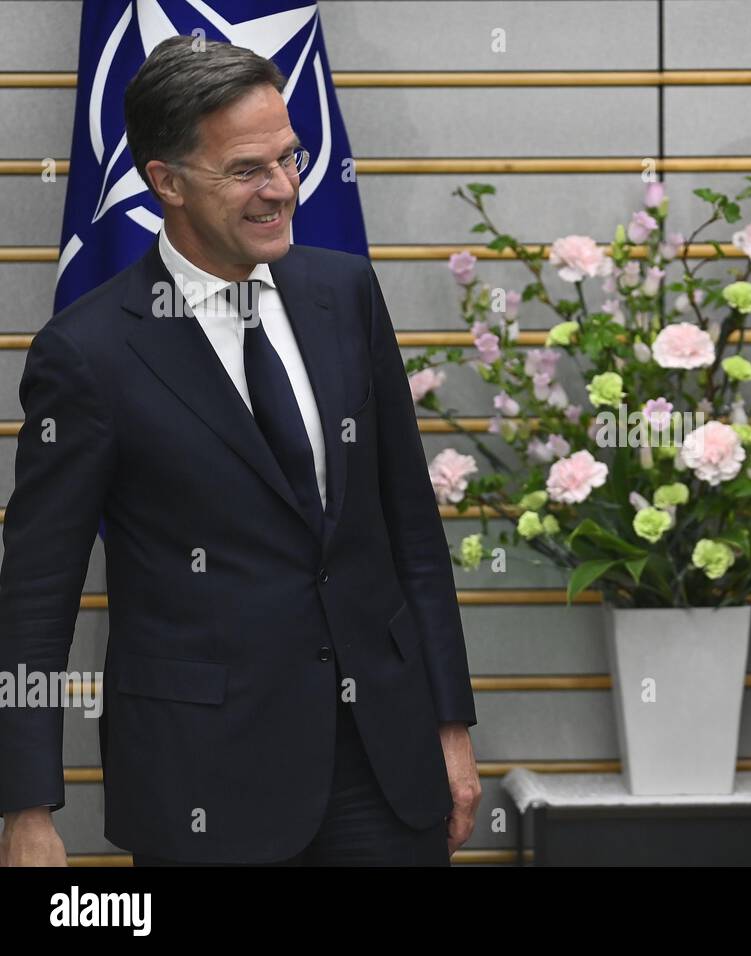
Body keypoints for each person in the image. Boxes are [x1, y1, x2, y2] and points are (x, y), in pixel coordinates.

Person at [0, 37, 479, 866]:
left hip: (385, 769)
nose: (284, 189)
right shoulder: (88, 356)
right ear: (166, 182)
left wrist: (450, 724)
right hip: (206, 783)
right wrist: (26, 807)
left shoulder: (346, 294)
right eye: (248, 170)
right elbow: (37, 597)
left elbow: (410, 532)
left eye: (290, 158)